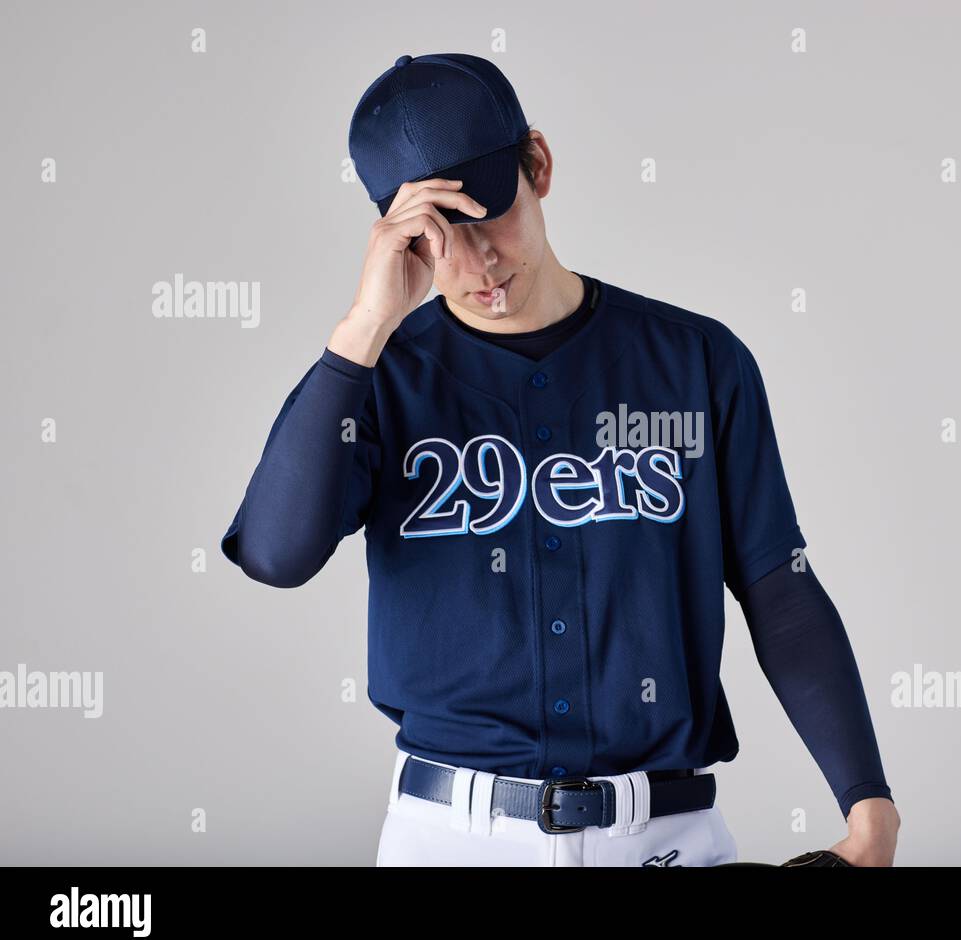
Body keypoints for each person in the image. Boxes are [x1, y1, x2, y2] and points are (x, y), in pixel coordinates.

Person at [220, 53, 900, 867]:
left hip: (667, 836)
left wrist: (870, 809)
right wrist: (365, 326)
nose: (476, 262)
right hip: (451, 838)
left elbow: (779, 590)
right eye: (437, 238)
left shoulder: (697, 361)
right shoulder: (378, 379)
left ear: (536, 164)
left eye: (488, 213)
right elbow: (273, 553)